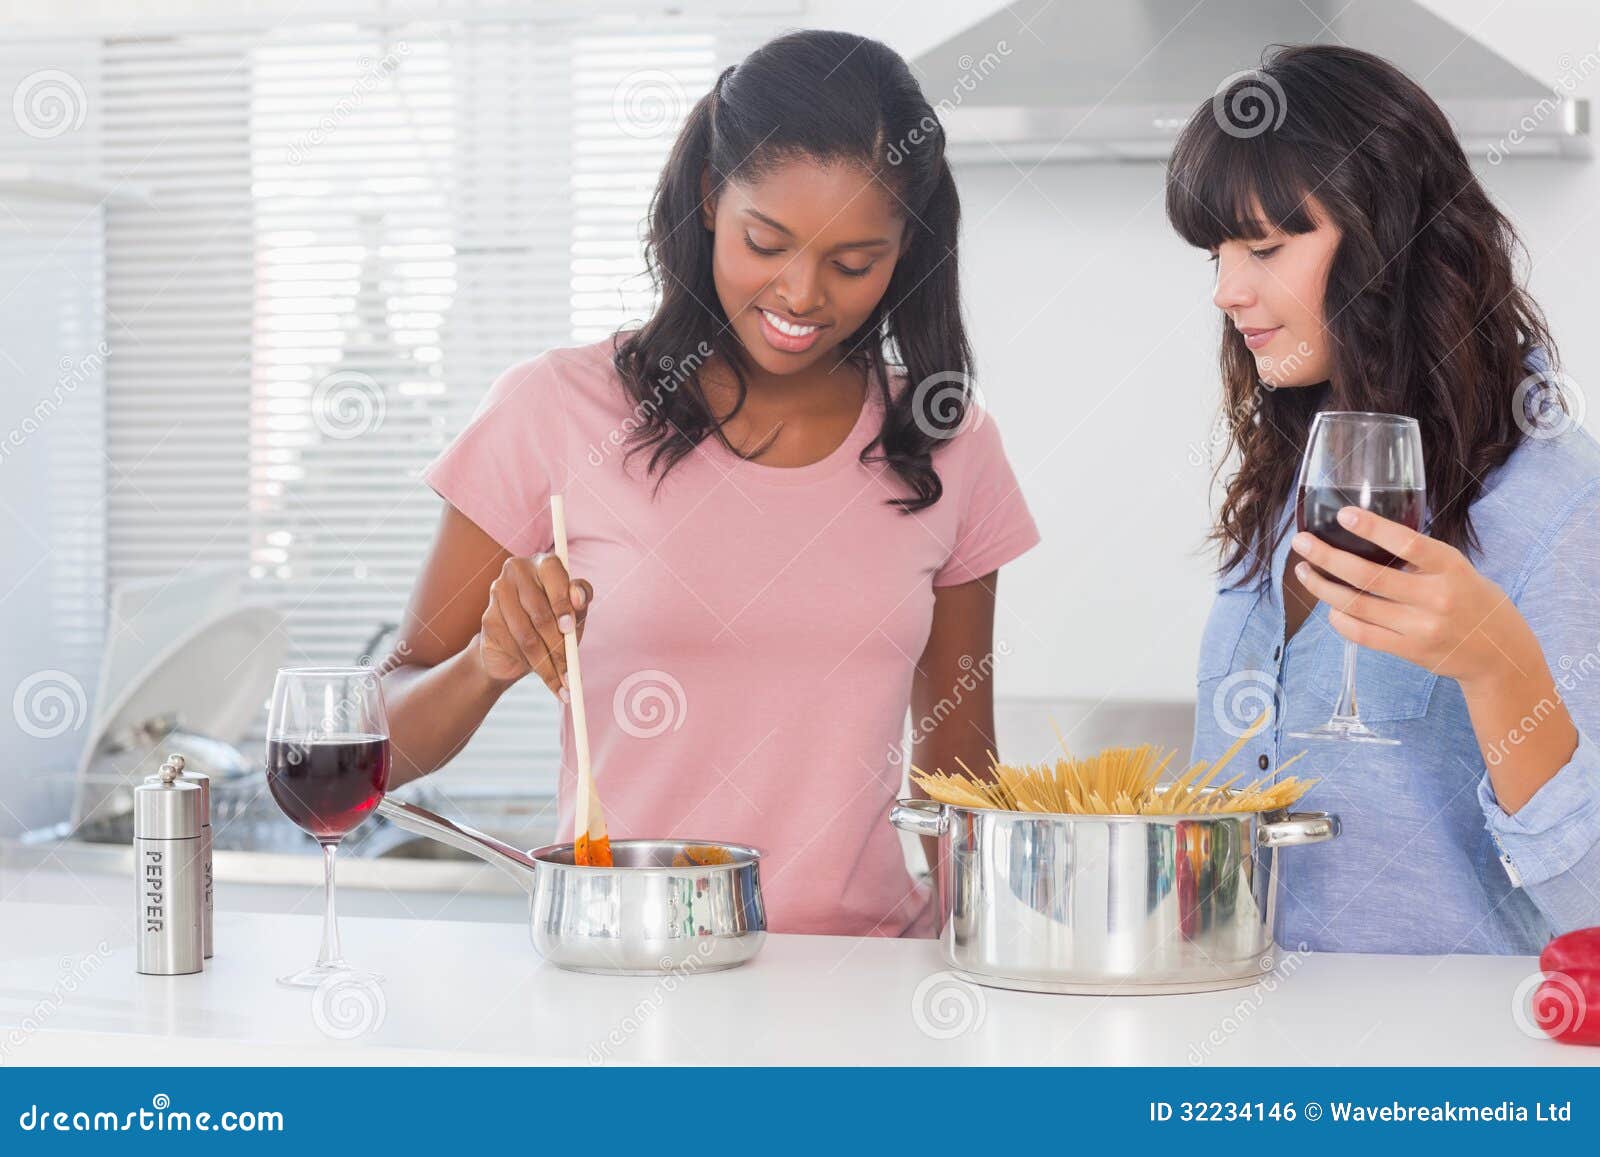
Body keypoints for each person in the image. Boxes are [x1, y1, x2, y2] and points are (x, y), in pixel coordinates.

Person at [378, 29, 1039, 937]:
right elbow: (378, 740)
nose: (804, 294)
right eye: (765, 242)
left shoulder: (948, 442)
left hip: (873, 994)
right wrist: (486, 664)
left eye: (856, 263)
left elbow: (960, 767)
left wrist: (1005, 979)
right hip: (629, 978)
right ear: (707, 199)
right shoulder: (554, 409)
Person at [1168, 44, 1600, 953]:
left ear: (1392, 237)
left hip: (1446, 1073)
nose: (1226, 290)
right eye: (1217, 252)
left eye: (1266, 247)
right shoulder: (1297, 474)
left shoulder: (1558, 506)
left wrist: (1496, 666)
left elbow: (1593, 908)